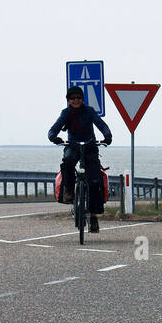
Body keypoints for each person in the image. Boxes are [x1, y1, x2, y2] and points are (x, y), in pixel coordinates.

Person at [48, 86, 112, 232]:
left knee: (95, 180)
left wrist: (107, 136)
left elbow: (101, 125)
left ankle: (94, 216)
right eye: (72, 98)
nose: (76, 100)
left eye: (78, 98)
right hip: (73, 145)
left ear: (82, 99)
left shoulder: (89, 111)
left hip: (90, 146)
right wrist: (54, 137)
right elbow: (54, 129)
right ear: (68, 100)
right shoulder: (66, 113)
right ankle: (69, 191)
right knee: (67, 163)